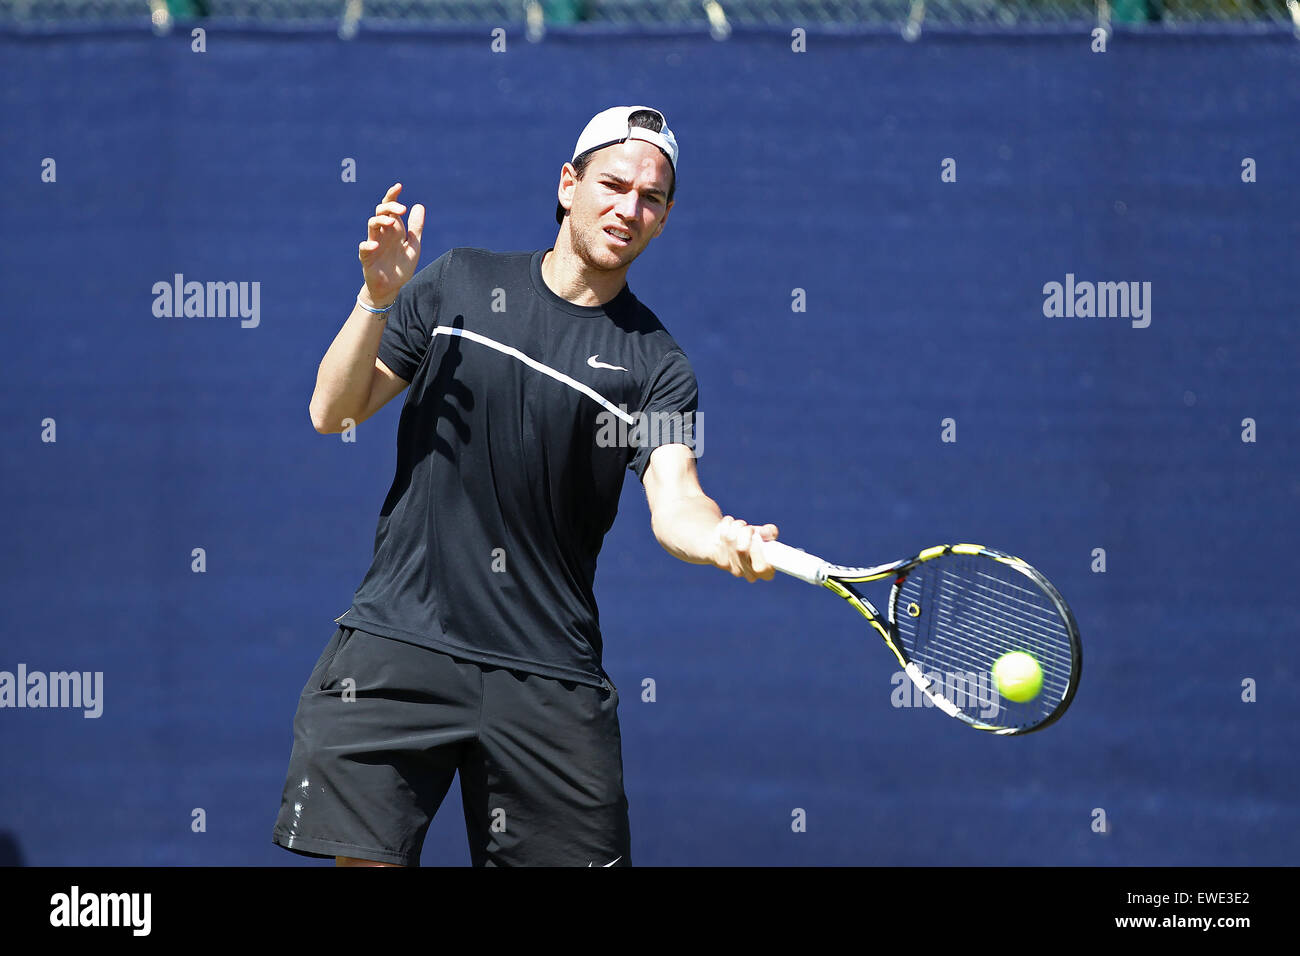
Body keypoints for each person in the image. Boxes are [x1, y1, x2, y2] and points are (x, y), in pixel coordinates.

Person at [272, 106, 778, 867]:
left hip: (550, 676)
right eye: (613, 185)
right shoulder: (457, 286)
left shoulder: (658, 368)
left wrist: (721, 539)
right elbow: (331, 410)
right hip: (401, 645)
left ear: (665, 219)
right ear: (568, 185)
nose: (628, 208)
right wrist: (376, 297)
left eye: (651, 199)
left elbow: (678, 501)